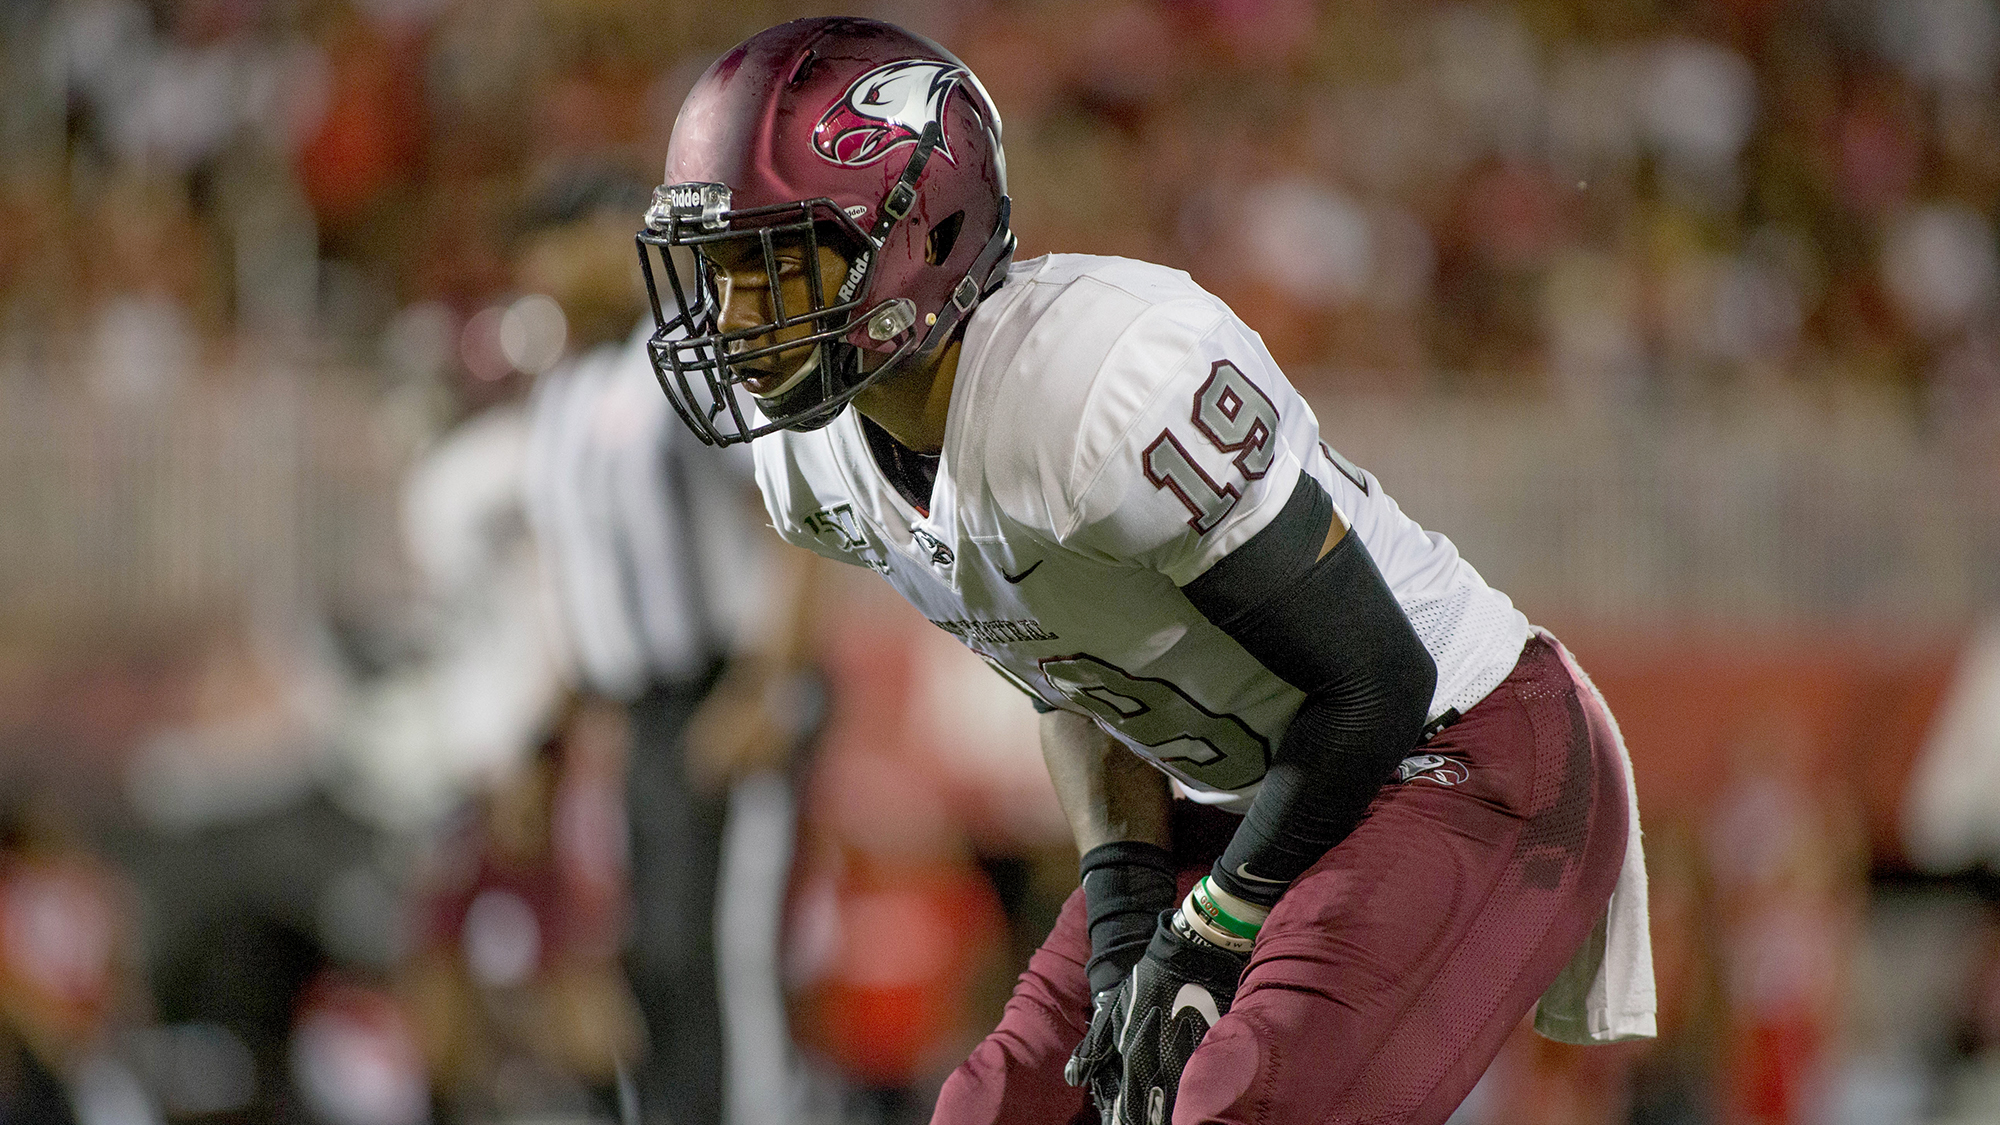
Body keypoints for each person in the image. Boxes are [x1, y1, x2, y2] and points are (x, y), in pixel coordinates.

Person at [633, 17, 1655, 1125]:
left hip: (1456, 746)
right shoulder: (814, 462)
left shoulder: (1100, 383)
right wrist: (1125, 919)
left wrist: (1210, 928)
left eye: (769, 263)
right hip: (1253, 785)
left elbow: (1373, 682)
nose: (733, 315)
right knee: (993, 1109)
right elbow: (1072, 675)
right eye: (720, 269)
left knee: (1235, 1103)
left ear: (915, 231)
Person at [518, 171, 821, 1125]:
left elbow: (796, 521)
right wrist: (553, 733)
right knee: (650, 962)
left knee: (725, 957)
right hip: (633, 712)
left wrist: (763, 687)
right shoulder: (565, 387)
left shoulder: (689, 360)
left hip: (718, 689)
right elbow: (580, 586)